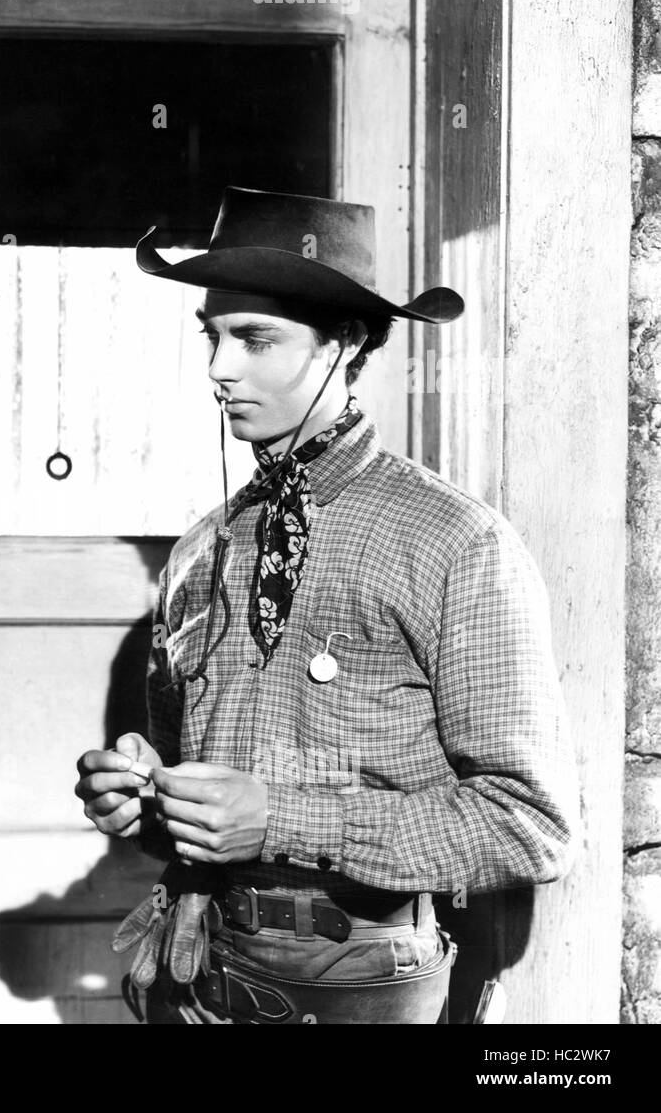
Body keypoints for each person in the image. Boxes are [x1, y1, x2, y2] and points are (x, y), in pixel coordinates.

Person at [74, 186, 579, 1024]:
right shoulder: (201, 552)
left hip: (361, 983)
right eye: (212, 336)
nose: (217, 370)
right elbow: (191, 811)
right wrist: (143, 794)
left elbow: (531, 824)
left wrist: (280, 817)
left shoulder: (457, 544)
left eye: (253, 339)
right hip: (199, 970)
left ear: (344, 342)